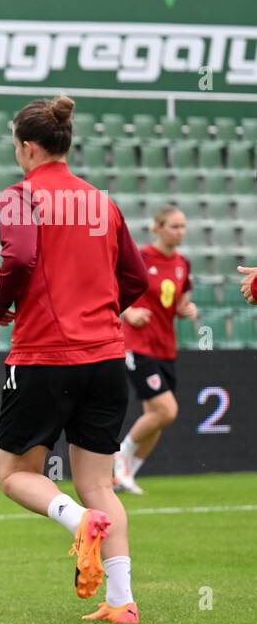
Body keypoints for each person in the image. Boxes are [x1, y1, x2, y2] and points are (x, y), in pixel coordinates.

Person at [0, 96, 148, 624]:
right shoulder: (103, 202)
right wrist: (102, 315)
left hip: (44, 356)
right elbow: (138, 281)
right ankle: (123, 601)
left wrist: (2, 302)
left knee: (14, 473)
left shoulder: (21, 196)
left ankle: (79, 520)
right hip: (106, 357)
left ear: (28, 147)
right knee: (100, 482)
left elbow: (17, 258)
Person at [114, 205, 196, 494]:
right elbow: (113, 289)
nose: (180, 231)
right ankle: (119, 458)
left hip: (165, 347)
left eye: (183, 226)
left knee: (157, 418)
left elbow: (180, 301)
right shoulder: (141, 256)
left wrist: (187, 309)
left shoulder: (182, 263)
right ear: (158, 227)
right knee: (167, 410)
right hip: (137, 344)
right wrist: (128, 311)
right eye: (174, 225)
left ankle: (125, 476)